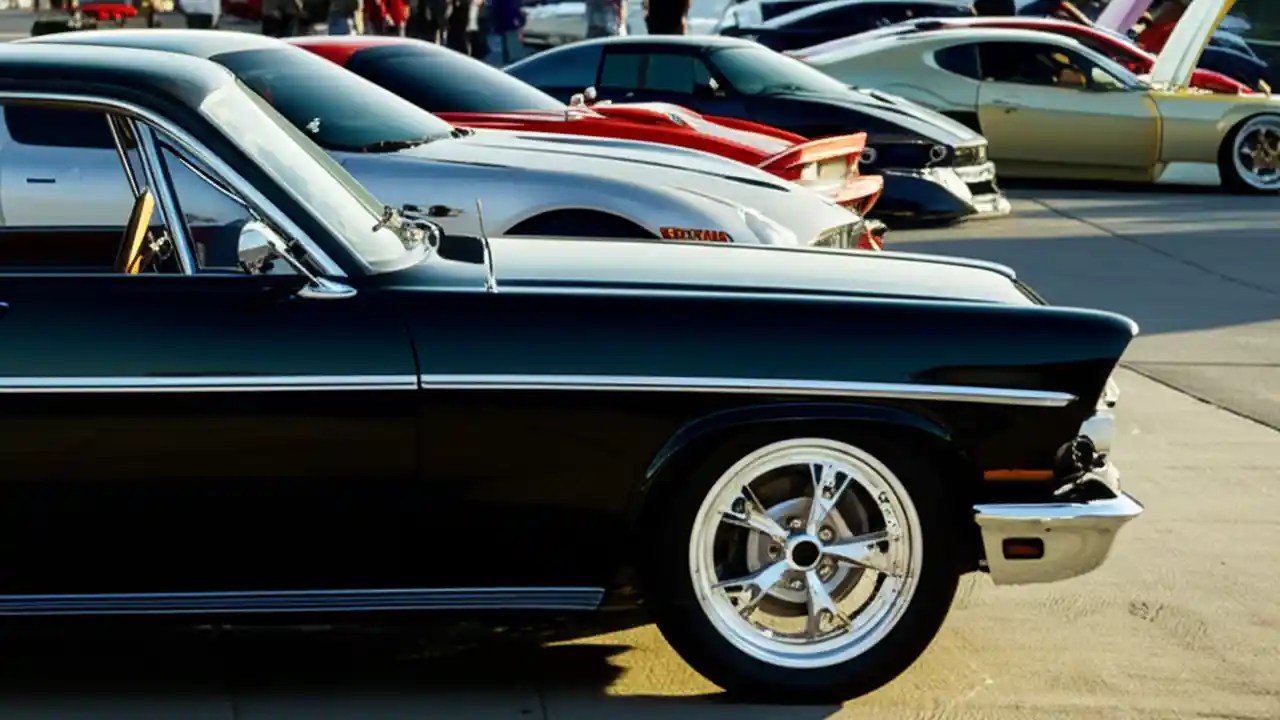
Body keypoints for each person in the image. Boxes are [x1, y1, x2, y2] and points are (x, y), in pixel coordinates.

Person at [485, 0, 523, 65]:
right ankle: (511, 60)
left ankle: (508, 60)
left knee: (506, 43)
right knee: (510, 44)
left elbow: (494, 10)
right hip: (509, 23)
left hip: (504, 23)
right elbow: (514, 8)